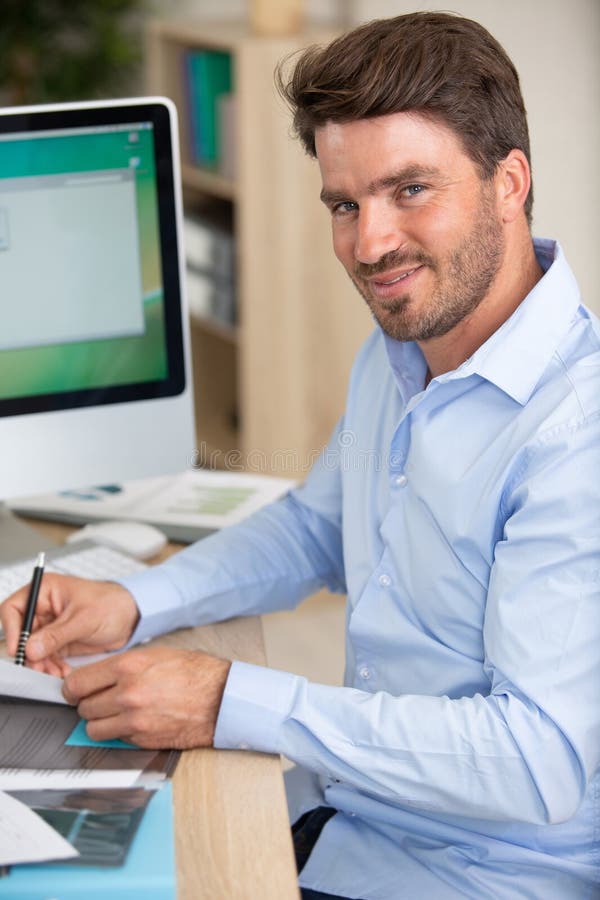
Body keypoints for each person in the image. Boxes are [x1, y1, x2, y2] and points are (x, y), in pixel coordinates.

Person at [2, 11, 599, 899]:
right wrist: (134, 600)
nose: (369, 245)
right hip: (351, 816)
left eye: (410, 191)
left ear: (509, 181)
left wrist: (225, 699)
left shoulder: (573, 436)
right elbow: (315, 530)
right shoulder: (402, 348)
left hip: (474, 875)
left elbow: (537, 760)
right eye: (345, 204)